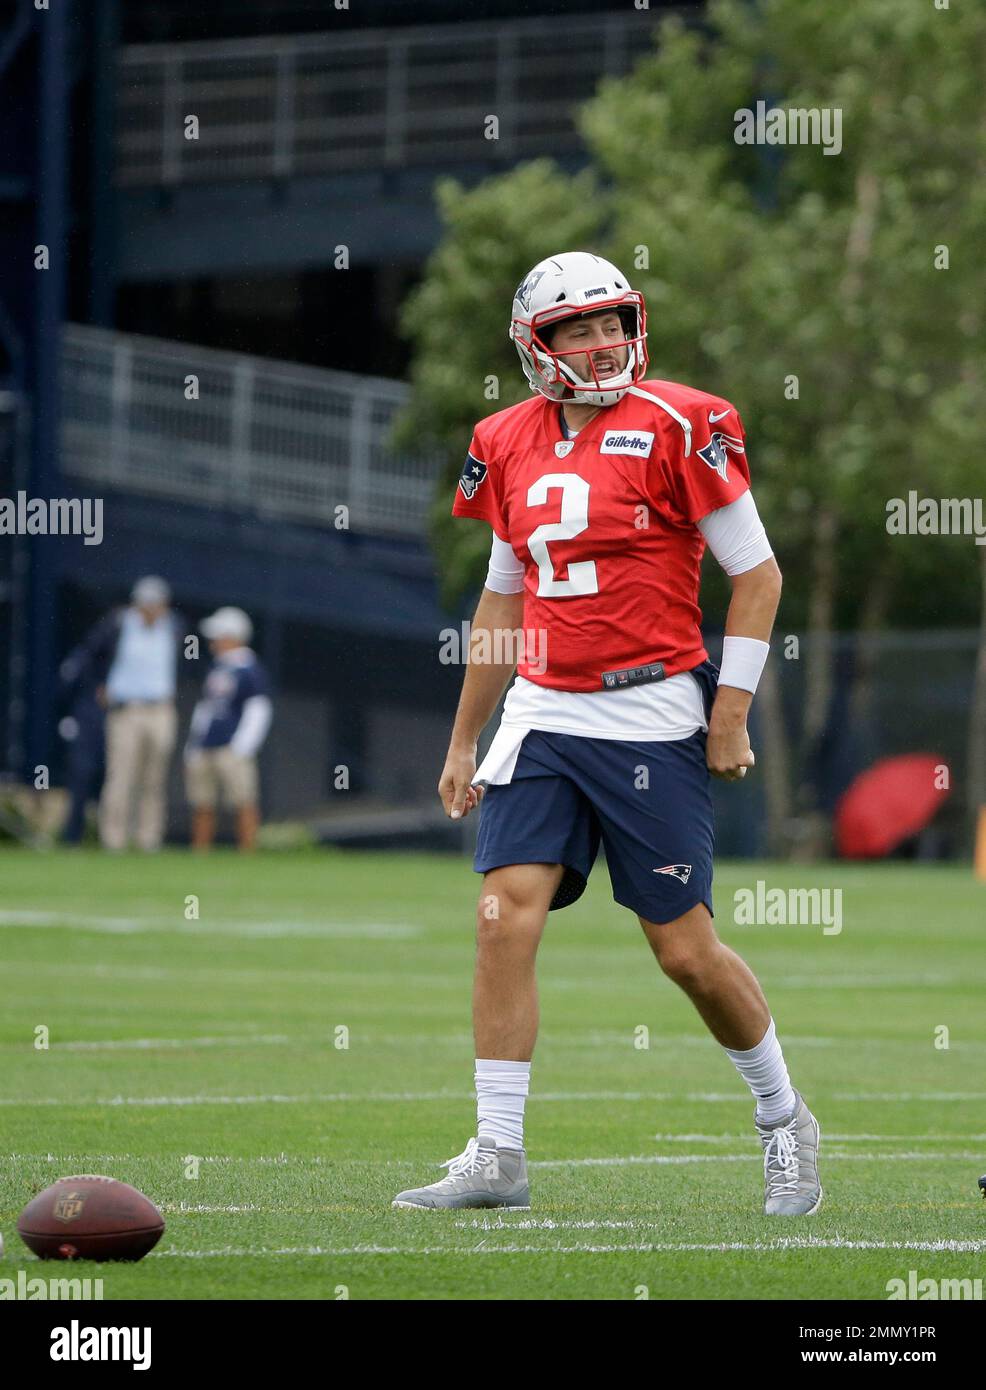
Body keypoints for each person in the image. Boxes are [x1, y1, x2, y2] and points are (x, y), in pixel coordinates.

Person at [393, 252, 821, 1216]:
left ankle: (783, 1117)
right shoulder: (503, 438)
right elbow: (503, 600)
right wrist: (465, 739)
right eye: (575, 330)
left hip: (651, 710)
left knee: (685, 954)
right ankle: (498, 1152)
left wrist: (732, 711)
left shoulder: (684, 420)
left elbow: (758, 577)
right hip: (544, 709)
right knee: (504, 914)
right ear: (534, 347)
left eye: (611, 322)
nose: (600, 344)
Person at [97, 576, 181, 851]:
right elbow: (92, 655)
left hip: (160, 710)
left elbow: (189, 664)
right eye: (147, 604)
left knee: (154, 778)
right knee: (120, 775)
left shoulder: (175, 627)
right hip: (127, 709)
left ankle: (149, 839)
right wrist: (100, 687)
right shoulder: (118, 624)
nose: (152, 610)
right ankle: (114, 839)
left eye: (156, 605)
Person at [183, 607, 272, 852]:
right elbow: (206, 708)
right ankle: (200, 851)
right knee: (202, 802)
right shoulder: (217, 668)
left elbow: (259, 710)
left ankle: (247, 851)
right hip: (207, 744)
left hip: (231, 746)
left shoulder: (249, 669)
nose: (213, 642)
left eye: (218, 636)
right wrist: (193, 744)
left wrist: (243, 745)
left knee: (243, 801)